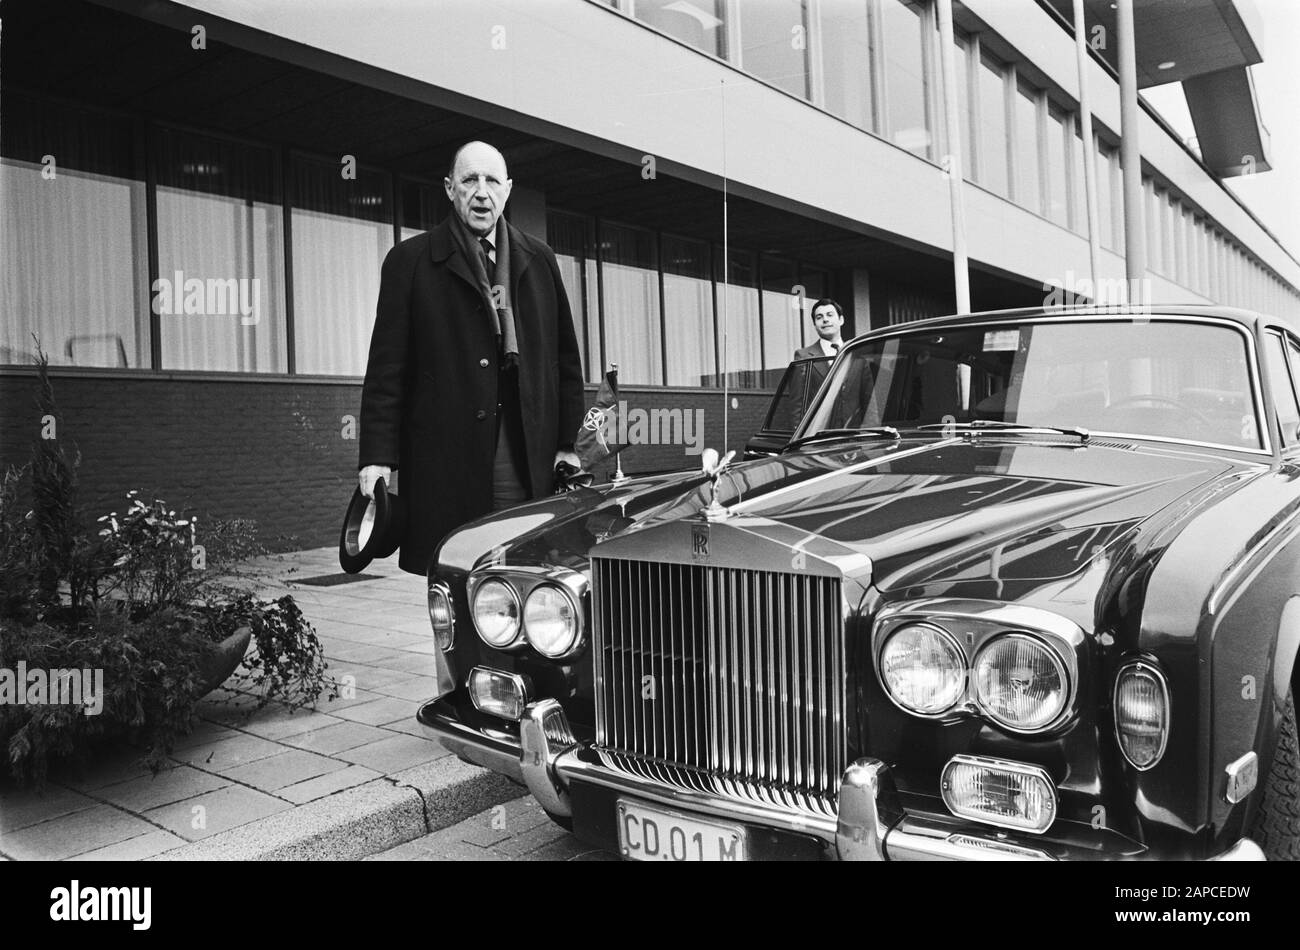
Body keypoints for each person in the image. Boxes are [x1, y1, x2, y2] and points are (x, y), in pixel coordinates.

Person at [356, 141, 584, 575]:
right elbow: (386, 372)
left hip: (528, 460)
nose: (482, 192)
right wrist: (376, 459)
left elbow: (565, 364)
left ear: (509, 189)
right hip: (445, 465)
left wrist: (567, 446)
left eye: (492, 181)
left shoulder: (541, 260)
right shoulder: (410, 262)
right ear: (449, 188)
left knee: (525, 576)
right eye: (469, 180)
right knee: (457, 581)